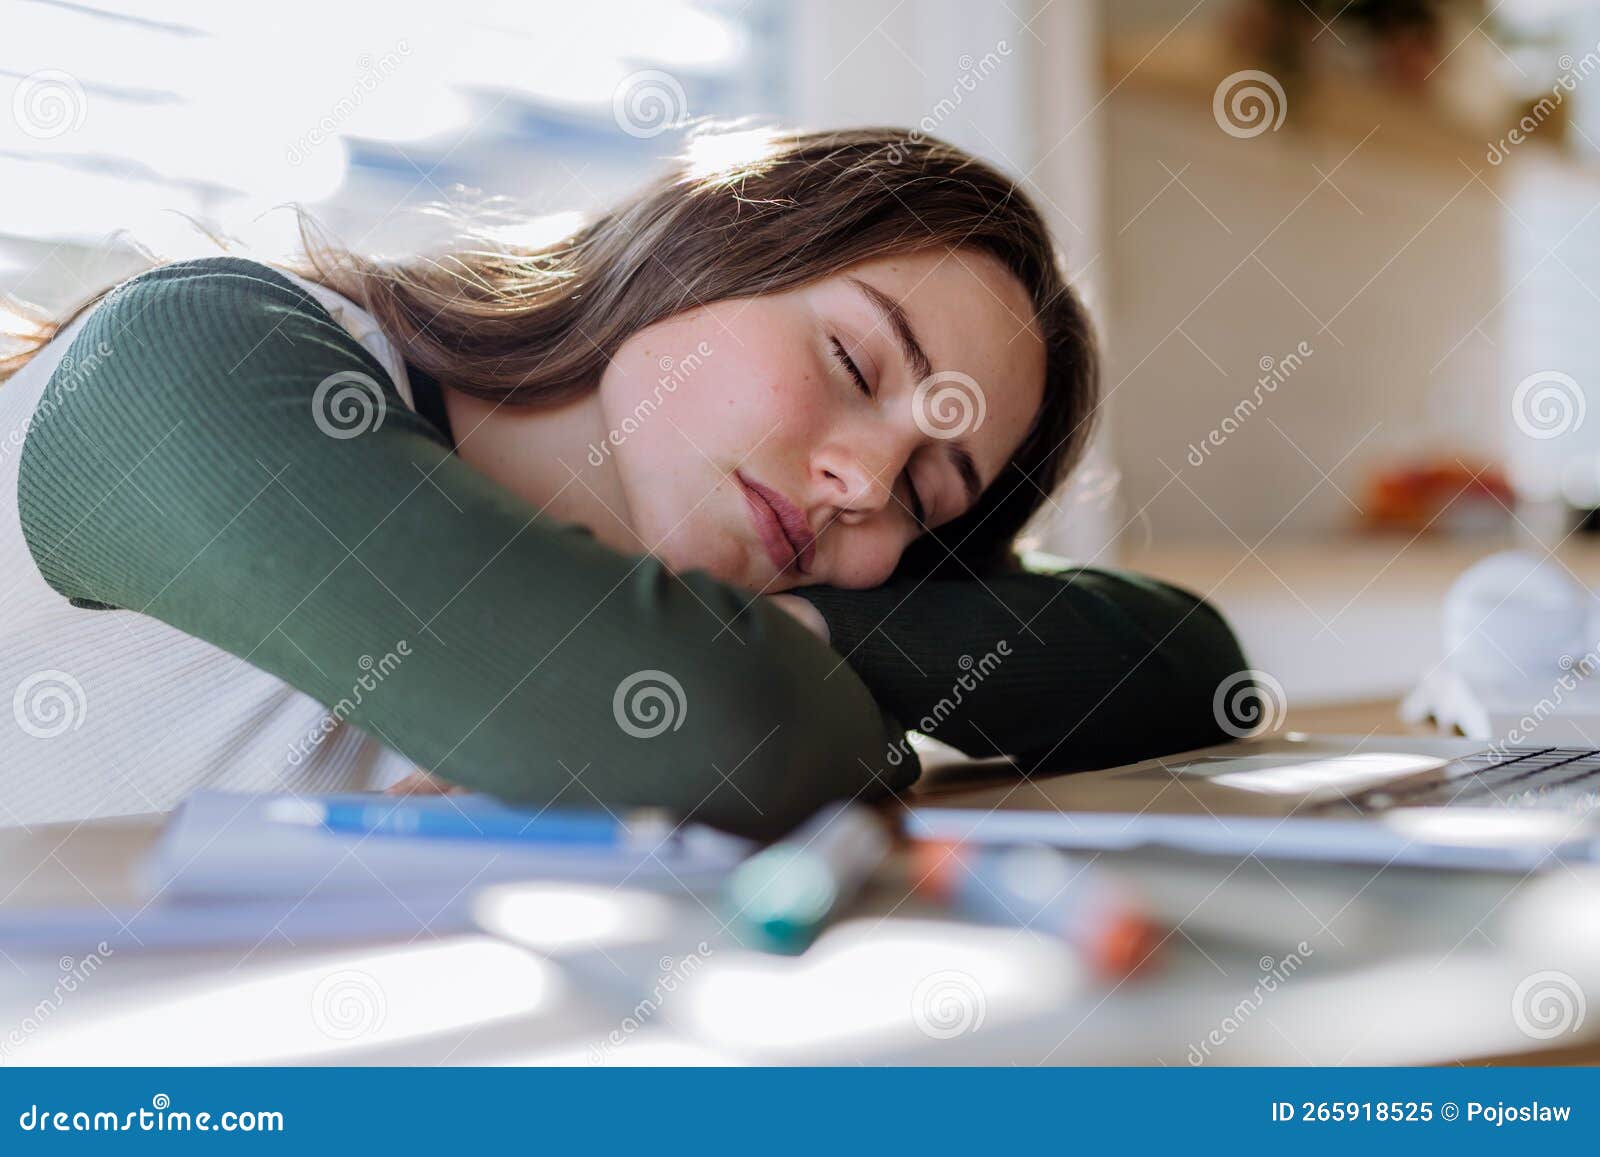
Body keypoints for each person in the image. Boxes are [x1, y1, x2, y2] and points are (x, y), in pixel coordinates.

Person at [0, 126, 1249, 838]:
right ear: (705, 244)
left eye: (929, 496)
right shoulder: (195, 359)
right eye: (854, 360)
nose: (866, 480)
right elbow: (713, 726)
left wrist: (816, 641)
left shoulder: (710, 588)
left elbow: (1187, 663)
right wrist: (799, 703)